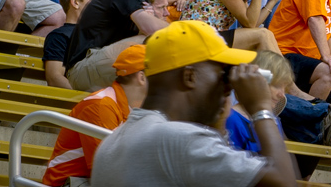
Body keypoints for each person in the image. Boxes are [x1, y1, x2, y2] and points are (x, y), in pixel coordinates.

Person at [87, 21, 294, 187]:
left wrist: (218, 122)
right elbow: (283, 183)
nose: (227, 86)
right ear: (190, 77)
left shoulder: (115, 140)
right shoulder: (178, 140)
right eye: (221, 73)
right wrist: (262, 110)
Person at [42, 42, 148, 186]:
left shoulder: (137, 110)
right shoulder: (101, 106)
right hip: (68, 182)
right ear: (141, 77)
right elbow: (106, 172)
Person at [67, 0, 172, 90]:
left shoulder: (138, 1)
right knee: (155, 41)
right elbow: (150, 29)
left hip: (92, 68)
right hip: (82, 68)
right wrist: (185, 31)